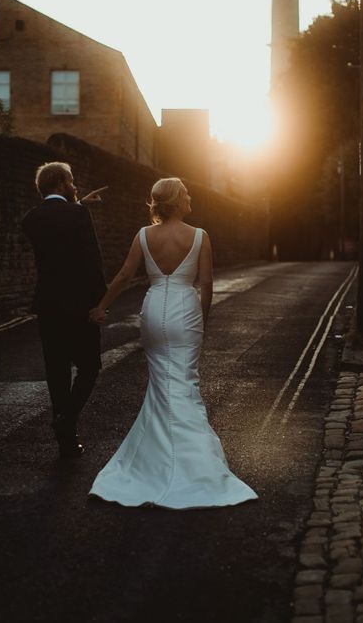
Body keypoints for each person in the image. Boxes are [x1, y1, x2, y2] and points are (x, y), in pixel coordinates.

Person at [87, 178, 257, 509]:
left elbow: (124, 274)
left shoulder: (143, 235)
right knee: (184, 381)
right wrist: (203, 319)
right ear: (178, 200)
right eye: (186, 193)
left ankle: (154, 459)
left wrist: (102, 306)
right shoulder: (199, 236)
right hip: (185, 309)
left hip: (153, 310)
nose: (191, 195)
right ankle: (195, 464)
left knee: (161, 383)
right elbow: (206, 283)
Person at [21, 162, 108, 458]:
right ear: (60, 184)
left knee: (56, 372)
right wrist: (101, 303)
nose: (75, 186)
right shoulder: (78, 214)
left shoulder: (31, 219)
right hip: (80, 306)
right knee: (90, 367)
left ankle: (67, 443)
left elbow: (56, 225)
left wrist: (80, 204)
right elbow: (92, 260)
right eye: (71, 181)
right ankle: (66, 419)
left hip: (48, 307)